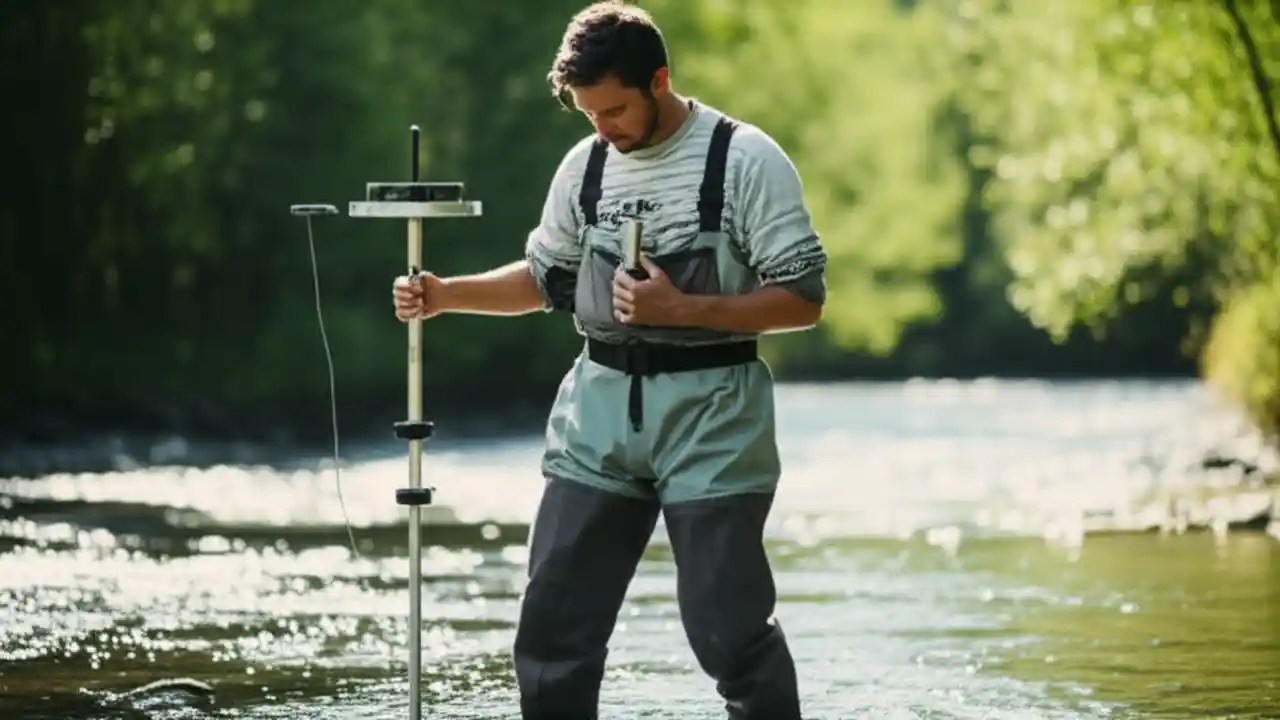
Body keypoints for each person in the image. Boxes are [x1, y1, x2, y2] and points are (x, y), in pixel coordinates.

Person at [392, 2, 827, 717]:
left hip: (714, 419)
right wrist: (444, 295)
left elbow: (803, 299)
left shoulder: (746, 159)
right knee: (552, 627)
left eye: (615, 110)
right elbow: (543, 280)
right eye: (588, 113)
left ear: (659, 81)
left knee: (727, 628)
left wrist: (684, 310)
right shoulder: (584, 166)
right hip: (595, 421)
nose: (603, 128)